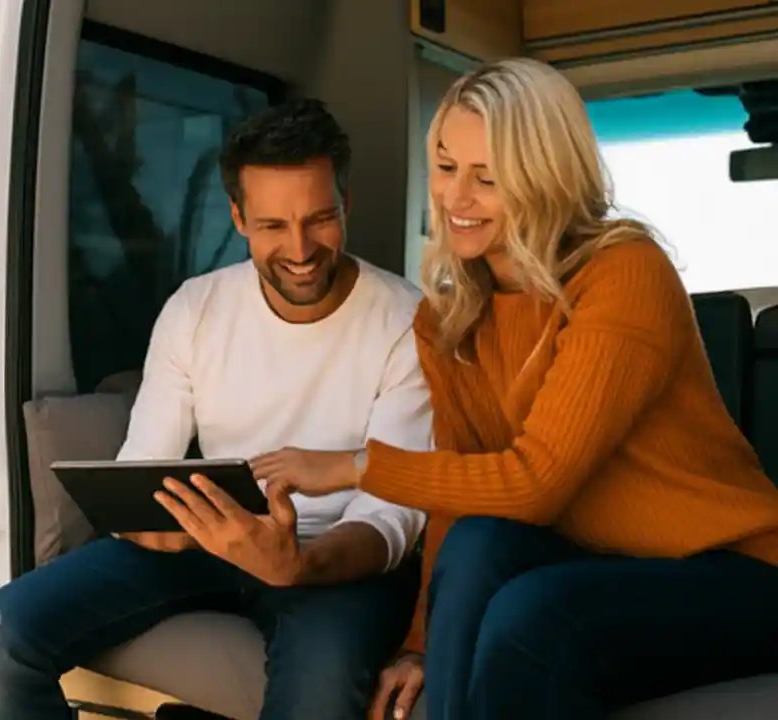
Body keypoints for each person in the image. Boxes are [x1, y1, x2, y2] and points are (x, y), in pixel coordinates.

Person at [243, 58, 778, 720]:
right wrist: (417, 647)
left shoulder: (623, 272)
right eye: (445, 167)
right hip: (589, 558)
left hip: (737, 573)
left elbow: (536, 482)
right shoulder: (446, 317)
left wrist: (355, 468)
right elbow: (458, 504)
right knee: (480, 543)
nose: (455, 197)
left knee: (536, 617)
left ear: (545, 178)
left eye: (487, 177)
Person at [0, 98, 433, 720]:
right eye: (272, 225)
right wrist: (145, 524)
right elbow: (145, 463)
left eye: (320, 218)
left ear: (346, 202)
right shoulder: (195, 309)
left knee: (314, 701)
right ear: (238, 216)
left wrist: (298, 562)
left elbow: (393, 518)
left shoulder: (408, 321)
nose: (299, 248)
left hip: (332, 560)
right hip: (208, 541)